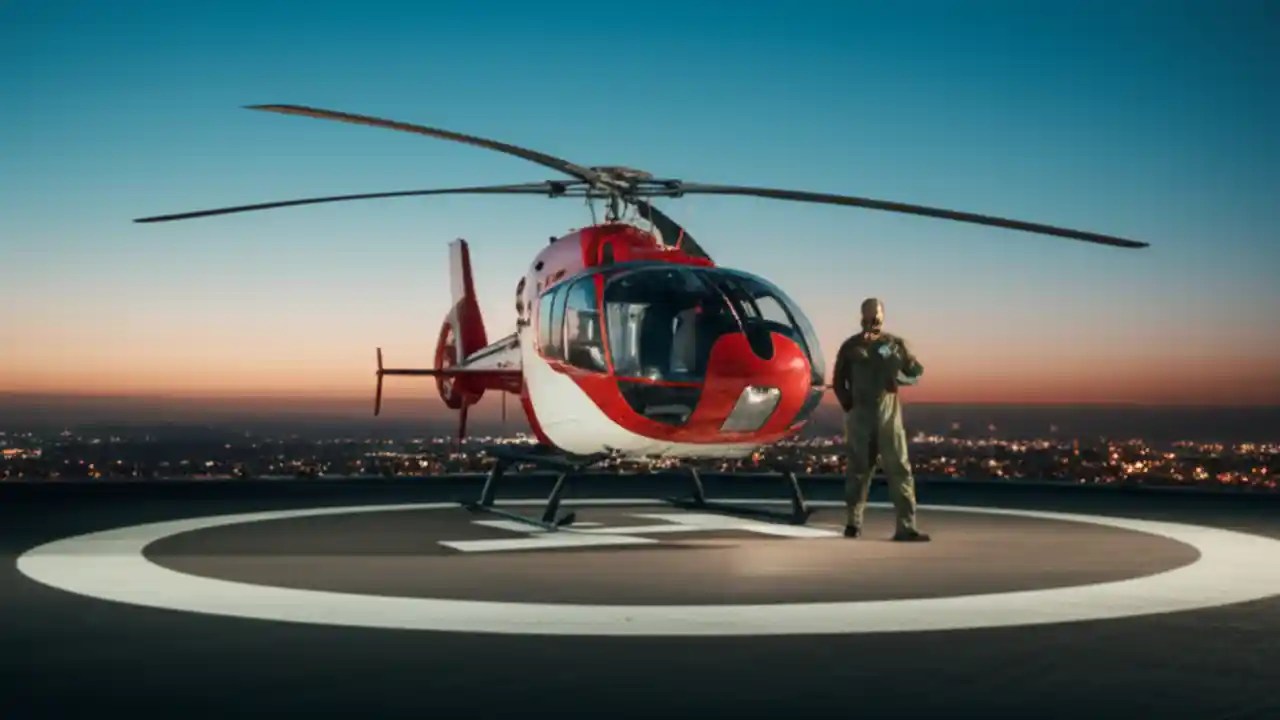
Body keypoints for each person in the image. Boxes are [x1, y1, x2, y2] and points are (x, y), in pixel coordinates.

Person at [831, 298, 930, 541]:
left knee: (899, 469)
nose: (873, 320)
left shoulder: (894, 345)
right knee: (858, 470)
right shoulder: (850, 348)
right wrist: (849, 405)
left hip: (889, 416)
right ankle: (853, 523)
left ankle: (906, 526)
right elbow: (838, 380)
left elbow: (915, 373)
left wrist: (900, 378)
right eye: (869, 315)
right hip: (860, 417)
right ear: (861, 316)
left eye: (877, 316)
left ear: (882, 317)